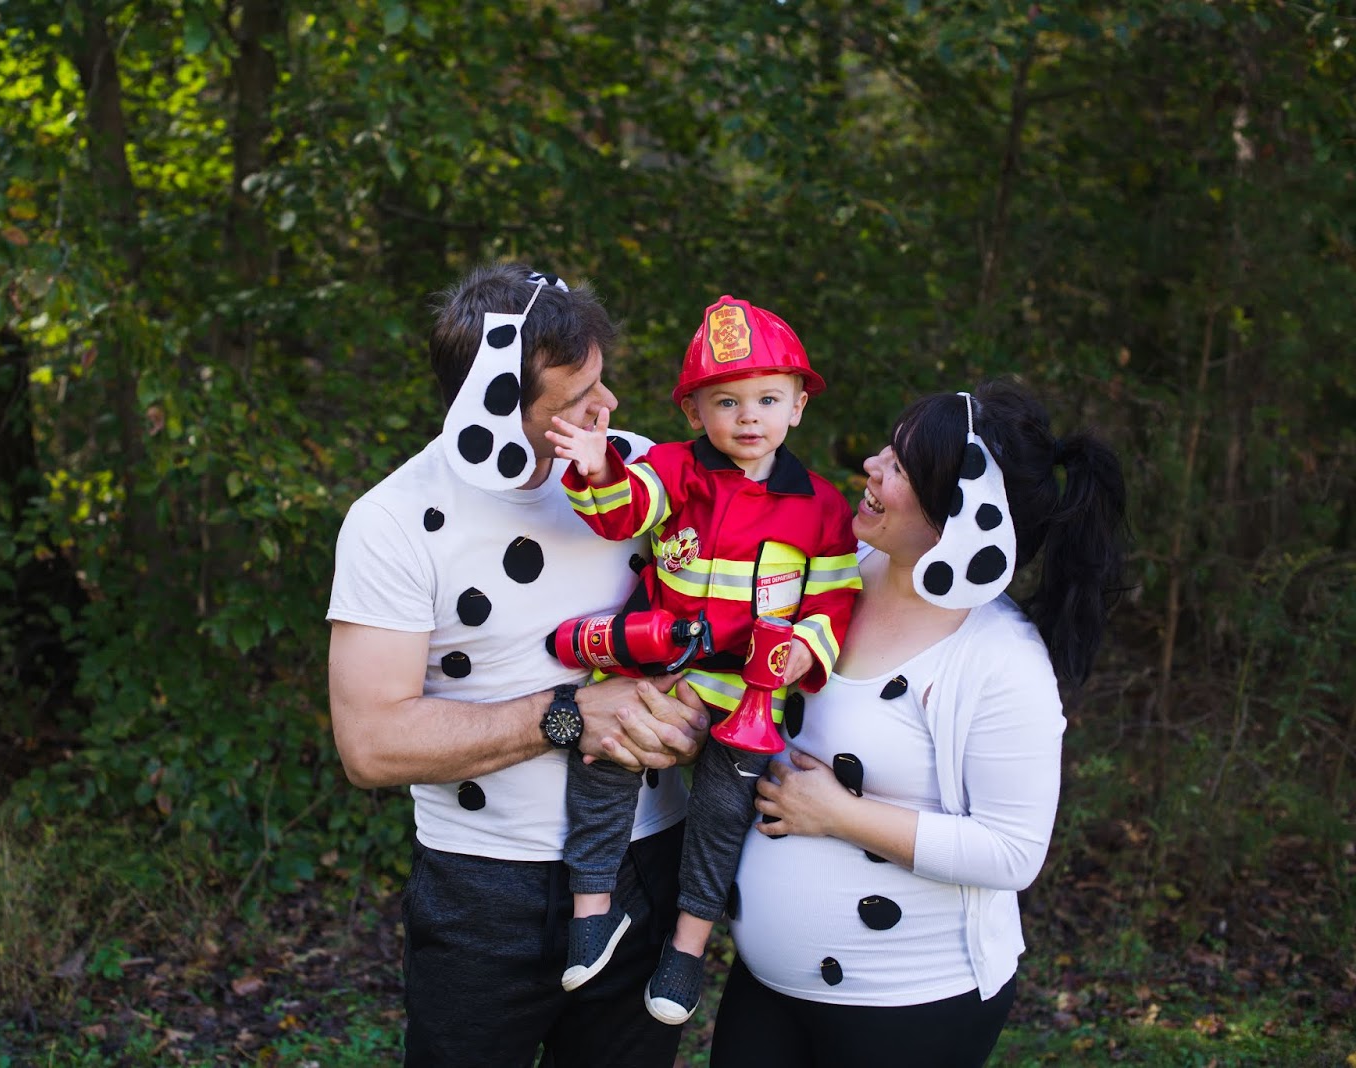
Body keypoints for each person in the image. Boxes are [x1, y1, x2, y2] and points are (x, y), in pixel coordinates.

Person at [326, 262, 710, 1068]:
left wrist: (698, 711)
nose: (607, 410)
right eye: (576, 401)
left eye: (602, 383)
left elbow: (736, 610)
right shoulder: (393, 521)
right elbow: (371, 744)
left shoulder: (643, 474)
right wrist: (569, 715)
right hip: (483, 891)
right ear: (494, 407)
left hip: (648, 862)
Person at [710, 379, 1127, 1068]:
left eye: (899, 468)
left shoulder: (1000, 659)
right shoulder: (839, 569)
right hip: (767, 984)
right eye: (889, 450)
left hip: (910, 1004)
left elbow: (1013, 853)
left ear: (956, 520)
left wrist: (841, 816)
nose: (872, 465)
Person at [543, 295, 861, 1026]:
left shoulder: (820, 506)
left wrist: (803, 650)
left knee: (723, 815)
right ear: (695, 415)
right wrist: (597, 471)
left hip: (748, 688)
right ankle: (593, 908)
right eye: (727, 402)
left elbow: (836, 595)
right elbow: (626, 510)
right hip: (663, 666)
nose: (748, 417)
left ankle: (687, 949)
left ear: (799, 406)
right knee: (604, 758)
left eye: (768, 399)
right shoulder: (676, 468)